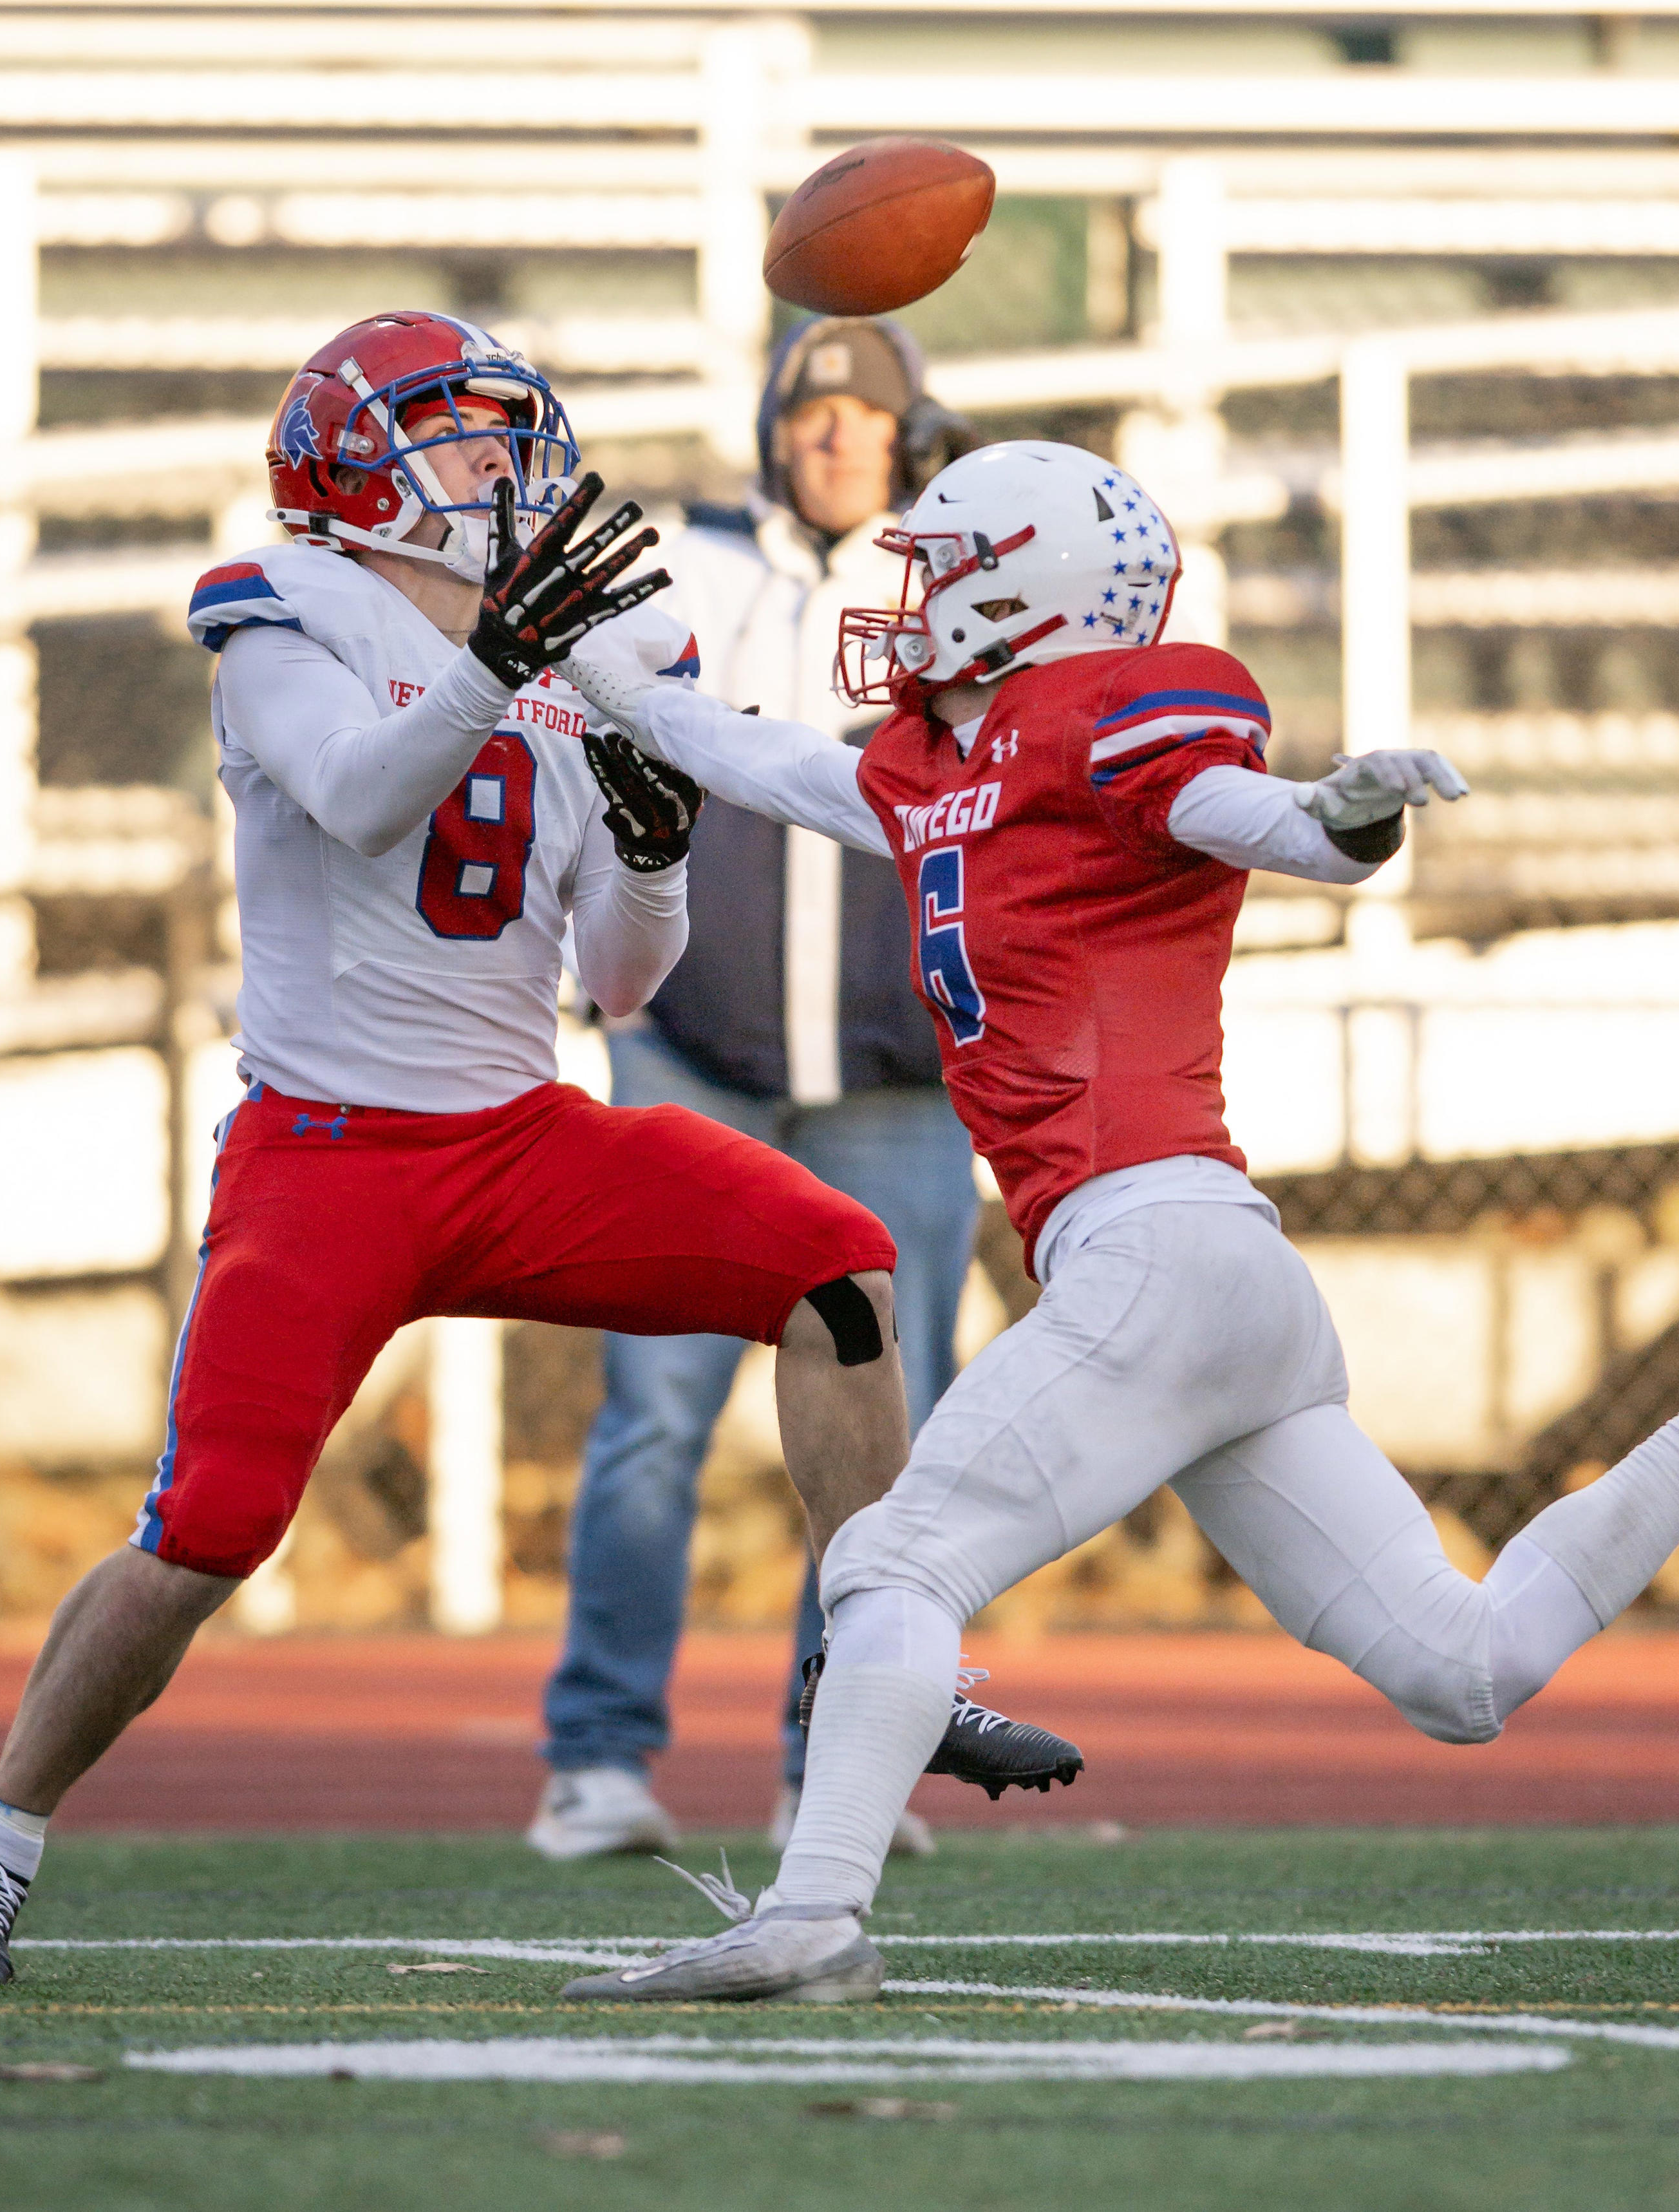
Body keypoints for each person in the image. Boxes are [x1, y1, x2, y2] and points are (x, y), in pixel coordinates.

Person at [553, 438, 1679, 2003]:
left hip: (1149, 1253)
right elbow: (762, 759)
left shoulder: (1103, 721)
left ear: (1020, 590)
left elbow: (1259, 819)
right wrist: (593, 669)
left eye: (937, 571)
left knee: (888, 1564)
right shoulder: (935, 766)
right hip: (1212, 1272)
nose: (905, 604)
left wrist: (1344, 816)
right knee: (1460, 1668)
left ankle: (810, 1915)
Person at [0, 314, 1056, 1988]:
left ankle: (884, 1653)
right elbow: (364, 793)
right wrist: (496, 666)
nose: (501, 469)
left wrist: (655, 855)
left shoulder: (580, 645)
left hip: (515, 1136)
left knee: (840, 1269)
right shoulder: (289, 614)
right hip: (327, 1153)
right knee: (211, 1524)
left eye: (507, 434)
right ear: (355, 471)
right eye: (457, 437)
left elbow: (621, 981)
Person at [530, 318, 993, 1864]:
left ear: (911, 432)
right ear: (770, 429)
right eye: (812, 410)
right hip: (695, 1051)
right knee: (654, 1414)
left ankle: (834, 1763)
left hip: (894, 1073)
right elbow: (578, 751)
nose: (837, 433)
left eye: (867, 412)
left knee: (884, 1434)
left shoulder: (964, 578)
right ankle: (596, 1753)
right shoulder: (682, 563)